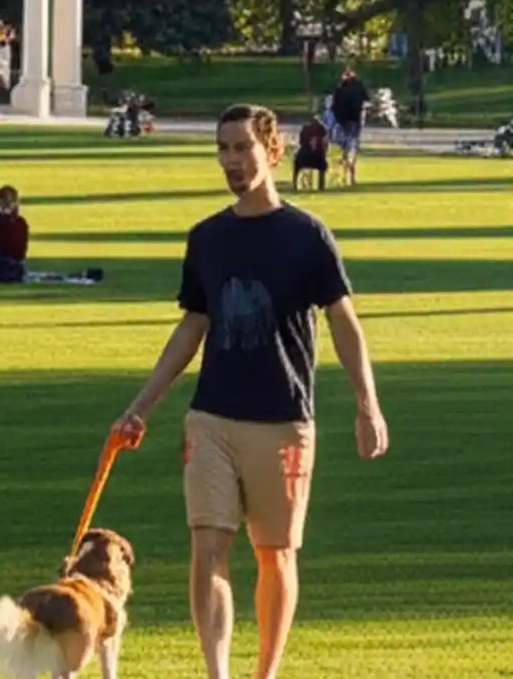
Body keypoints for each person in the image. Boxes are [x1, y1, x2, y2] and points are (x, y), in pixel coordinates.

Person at [111, 104, 389, 679]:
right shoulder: (208, 238)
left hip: (283, 419)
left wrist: (368, 406)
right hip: (212, 417)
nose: (231, 161)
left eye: (242, 147)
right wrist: (141, 406)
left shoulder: (307, 236)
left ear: (273, 150)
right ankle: (218, 674)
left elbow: (344, 323)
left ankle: (264, 673)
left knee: (275, 554)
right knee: (207, 547)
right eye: (223, 149)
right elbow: (192, 326)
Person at [331, 68, 370, 185]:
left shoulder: (340, 89)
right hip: (355, 121)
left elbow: (334, 106)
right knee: (353, 148)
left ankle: (344, 174)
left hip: (342, 122)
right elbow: (367, 100)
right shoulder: (359, 87)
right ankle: (351, 175)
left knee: (344, 148)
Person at [292, 115, 329, 191]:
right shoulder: (321, 129)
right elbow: (325, 144)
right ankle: (321, 185)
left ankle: (295, 183)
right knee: (323, 164)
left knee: (296, 162)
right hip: (318, 159)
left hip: (304, 158)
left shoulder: (305, 129)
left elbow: (301, 142)